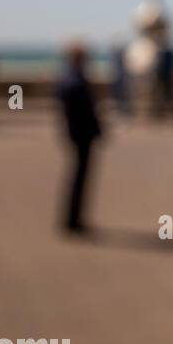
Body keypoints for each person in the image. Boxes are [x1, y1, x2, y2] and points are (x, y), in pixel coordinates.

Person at [56, 44, 102, 234]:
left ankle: (73, 219)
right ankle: (72, 221)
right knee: (78, 178)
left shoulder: (70, 77)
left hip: (79, 133)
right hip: (80, 134)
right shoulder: (73, 79)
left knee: (79, 177)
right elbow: (80, 106)